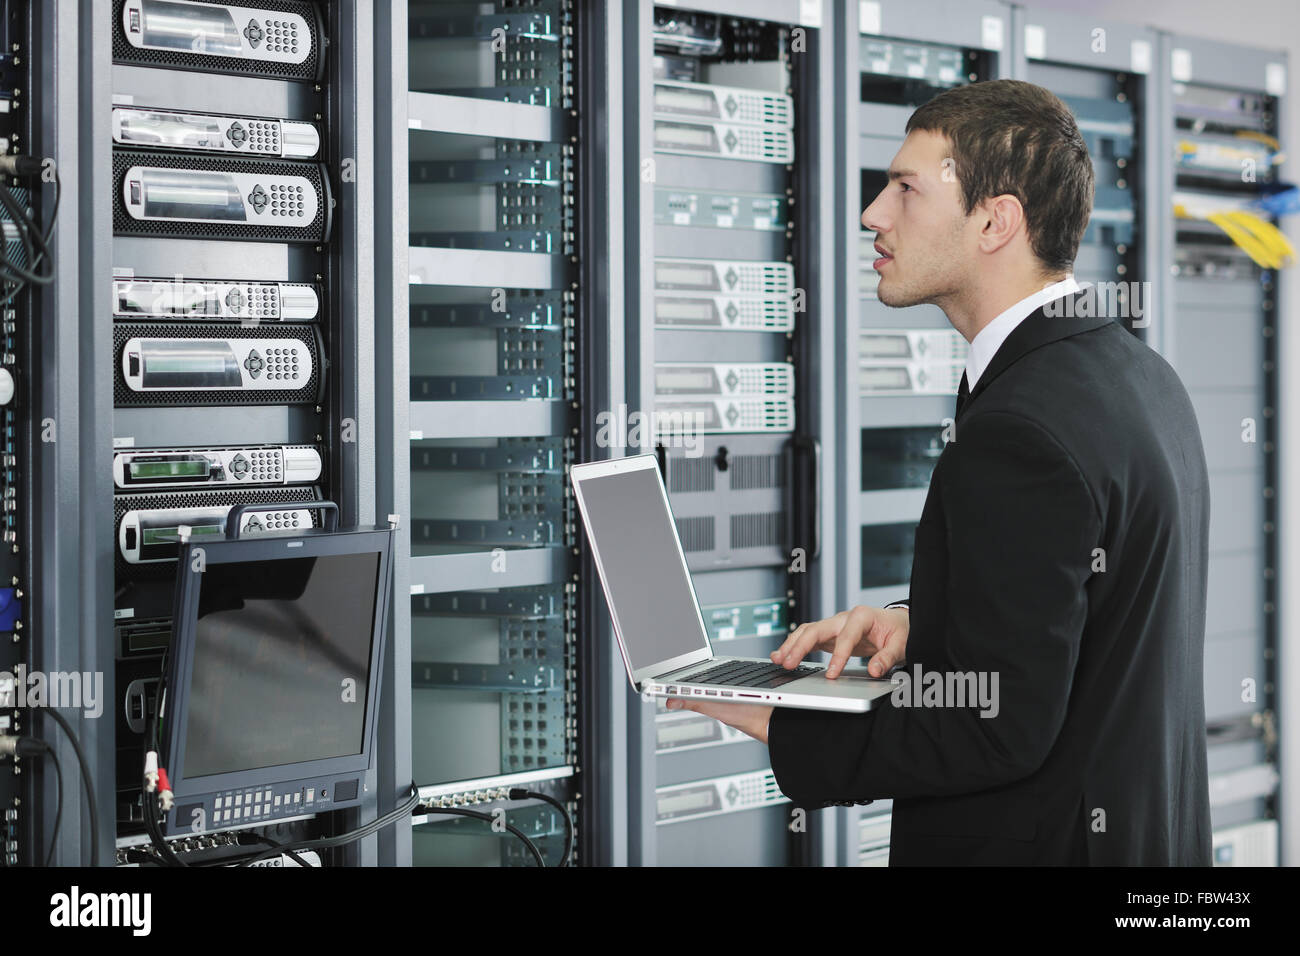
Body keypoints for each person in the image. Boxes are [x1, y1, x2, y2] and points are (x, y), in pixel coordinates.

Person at [667, 79, 1213, 866]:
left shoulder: (1021, 428)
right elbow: (1089, 621)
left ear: (996, 221)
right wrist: (927, 620)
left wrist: (789, 720)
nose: (872, 215)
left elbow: (995, 729)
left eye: (905, 190)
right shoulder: (1137, 375)